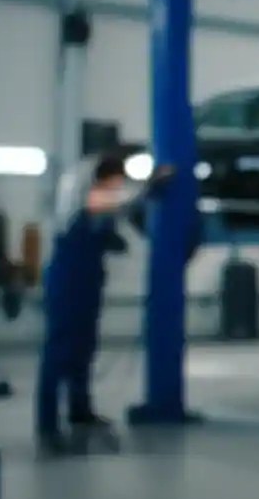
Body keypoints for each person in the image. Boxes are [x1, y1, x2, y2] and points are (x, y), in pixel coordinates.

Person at [36, 153, 172, 455]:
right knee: (59, 353)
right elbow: (115, 204)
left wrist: (112, 239)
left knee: (84, 348)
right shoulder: (82, 198)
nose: (118, 185)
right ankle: (47, 428)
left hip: (87, 285)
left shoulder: (98, 203)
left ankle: (79, 411)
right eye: (116, 180)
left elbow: (108, 225)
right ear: (103, 178)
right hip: (67, 283)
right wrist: (150, 187)